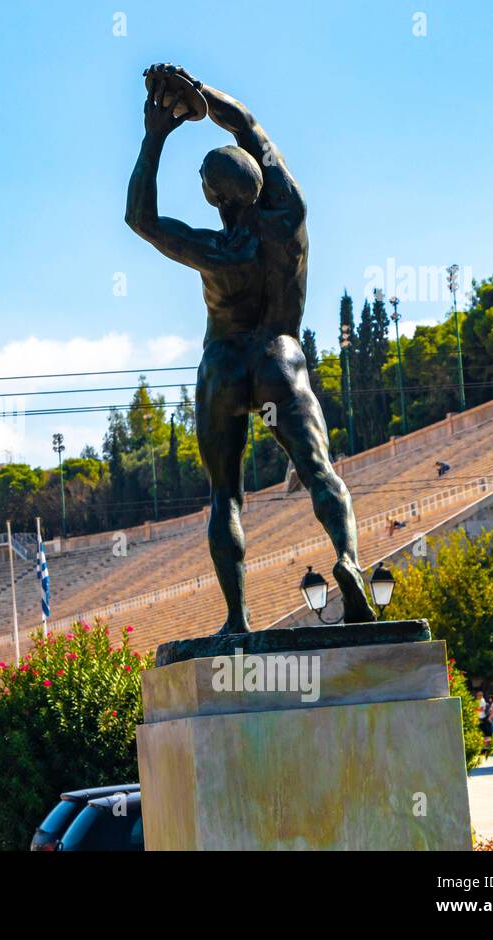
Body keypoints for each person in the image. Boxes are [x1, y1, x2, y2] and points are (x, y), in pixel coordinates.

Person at [126, 64, 377, 632]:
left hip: (224, 365)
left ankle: (237, 619)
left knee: (227, 495)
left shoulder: (216, 249)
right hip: (278, 358)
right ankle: (348, 559)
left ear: (214, 196)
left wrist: (155, 134)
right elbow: (250, 125)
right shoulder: (289, 215)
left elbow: (139, 218)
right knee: (319, 471)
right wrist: (201, 95)